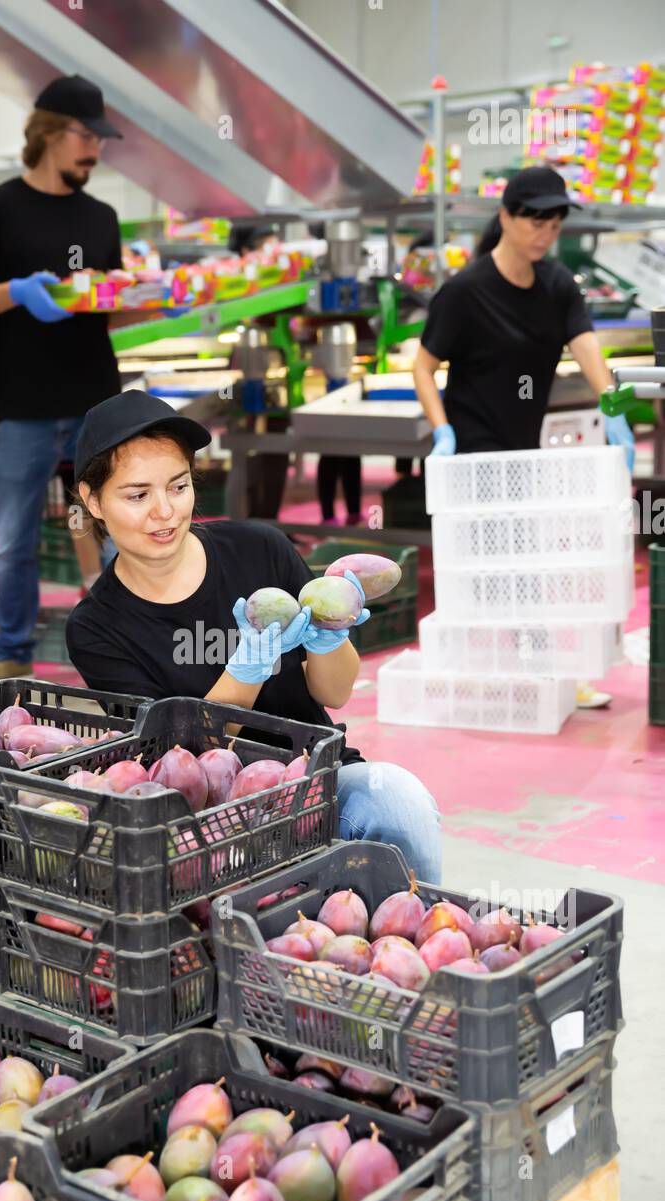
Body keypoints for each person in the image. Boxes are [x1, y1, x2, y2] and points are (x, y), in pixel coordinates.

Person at [66, 390, 441, 881]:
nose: (164, 511)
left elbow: (334, 692)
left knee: (396, 798)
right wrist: (246, 670)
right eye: (137, 495)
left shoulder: (258, 549)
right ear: (93, 501)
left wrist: (330, 638)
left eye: (178, 487)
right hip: (207, 823)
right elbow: (183, 764)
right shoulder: (97, 627)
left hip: (313, 781)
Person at [413, 165, 635, 709]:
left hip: (524, 445)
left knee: (524, 561)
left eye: (555, 220)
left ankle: (540, 670)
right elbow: (422, 366)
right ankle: (513, 669)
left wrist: (614, 408)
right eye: (534, 218)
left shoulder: (558, 286)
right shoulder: (464, 292)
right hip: (474, 447)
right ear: (506, 216)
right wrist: (442, 431)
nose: (545, 230)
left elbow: (587, 350)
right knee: (499, 564)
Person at [0, 74, 128, 697]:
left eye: (101, 139)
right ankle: (11, 652)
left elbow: (112, 303)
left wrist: (152, 295)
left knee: (112, 531)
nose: (95, 150)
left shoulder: (102, 216)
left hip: (96, 399)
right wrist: (17, 291)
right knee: (13, 539)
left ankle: (125, 649)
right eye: (85, 135)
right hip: (22, 401)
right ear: (47, 133)